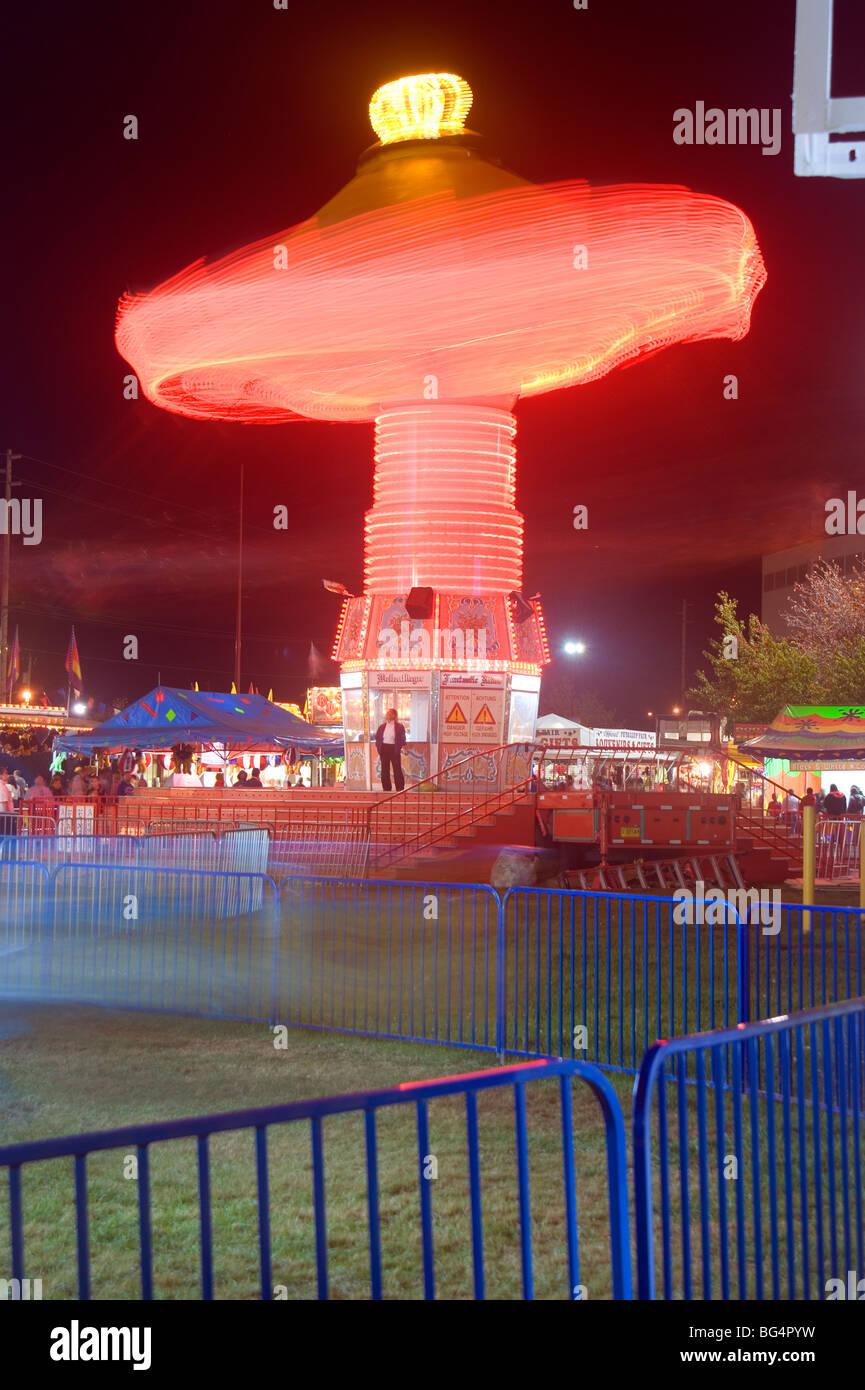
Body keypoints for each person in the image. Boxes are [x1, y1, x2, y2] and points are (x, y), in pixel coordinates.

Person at [375, 707, 406, 792]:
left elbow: (403, 738)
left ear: (394, 715)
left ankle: (400, 788)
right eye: (387, 713)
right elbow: (377, 737)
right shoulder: (382, 726)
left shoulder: (399, 726)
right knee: (385, 769)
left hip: (394, 749)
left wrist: (399, 746)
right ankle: (386, 788)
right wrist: (379, 747)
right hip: (384, 748)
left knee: (397, 769)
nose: (387, 715)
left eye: (389, 713)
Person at [0, 768, 16, 834]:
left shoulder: (4, 786)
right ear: (0, 775)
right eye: (5, 773)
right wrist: (9, 816)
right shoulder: (1, 787)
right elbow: (4, 803)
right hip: (4, 816)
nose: (7, 775)